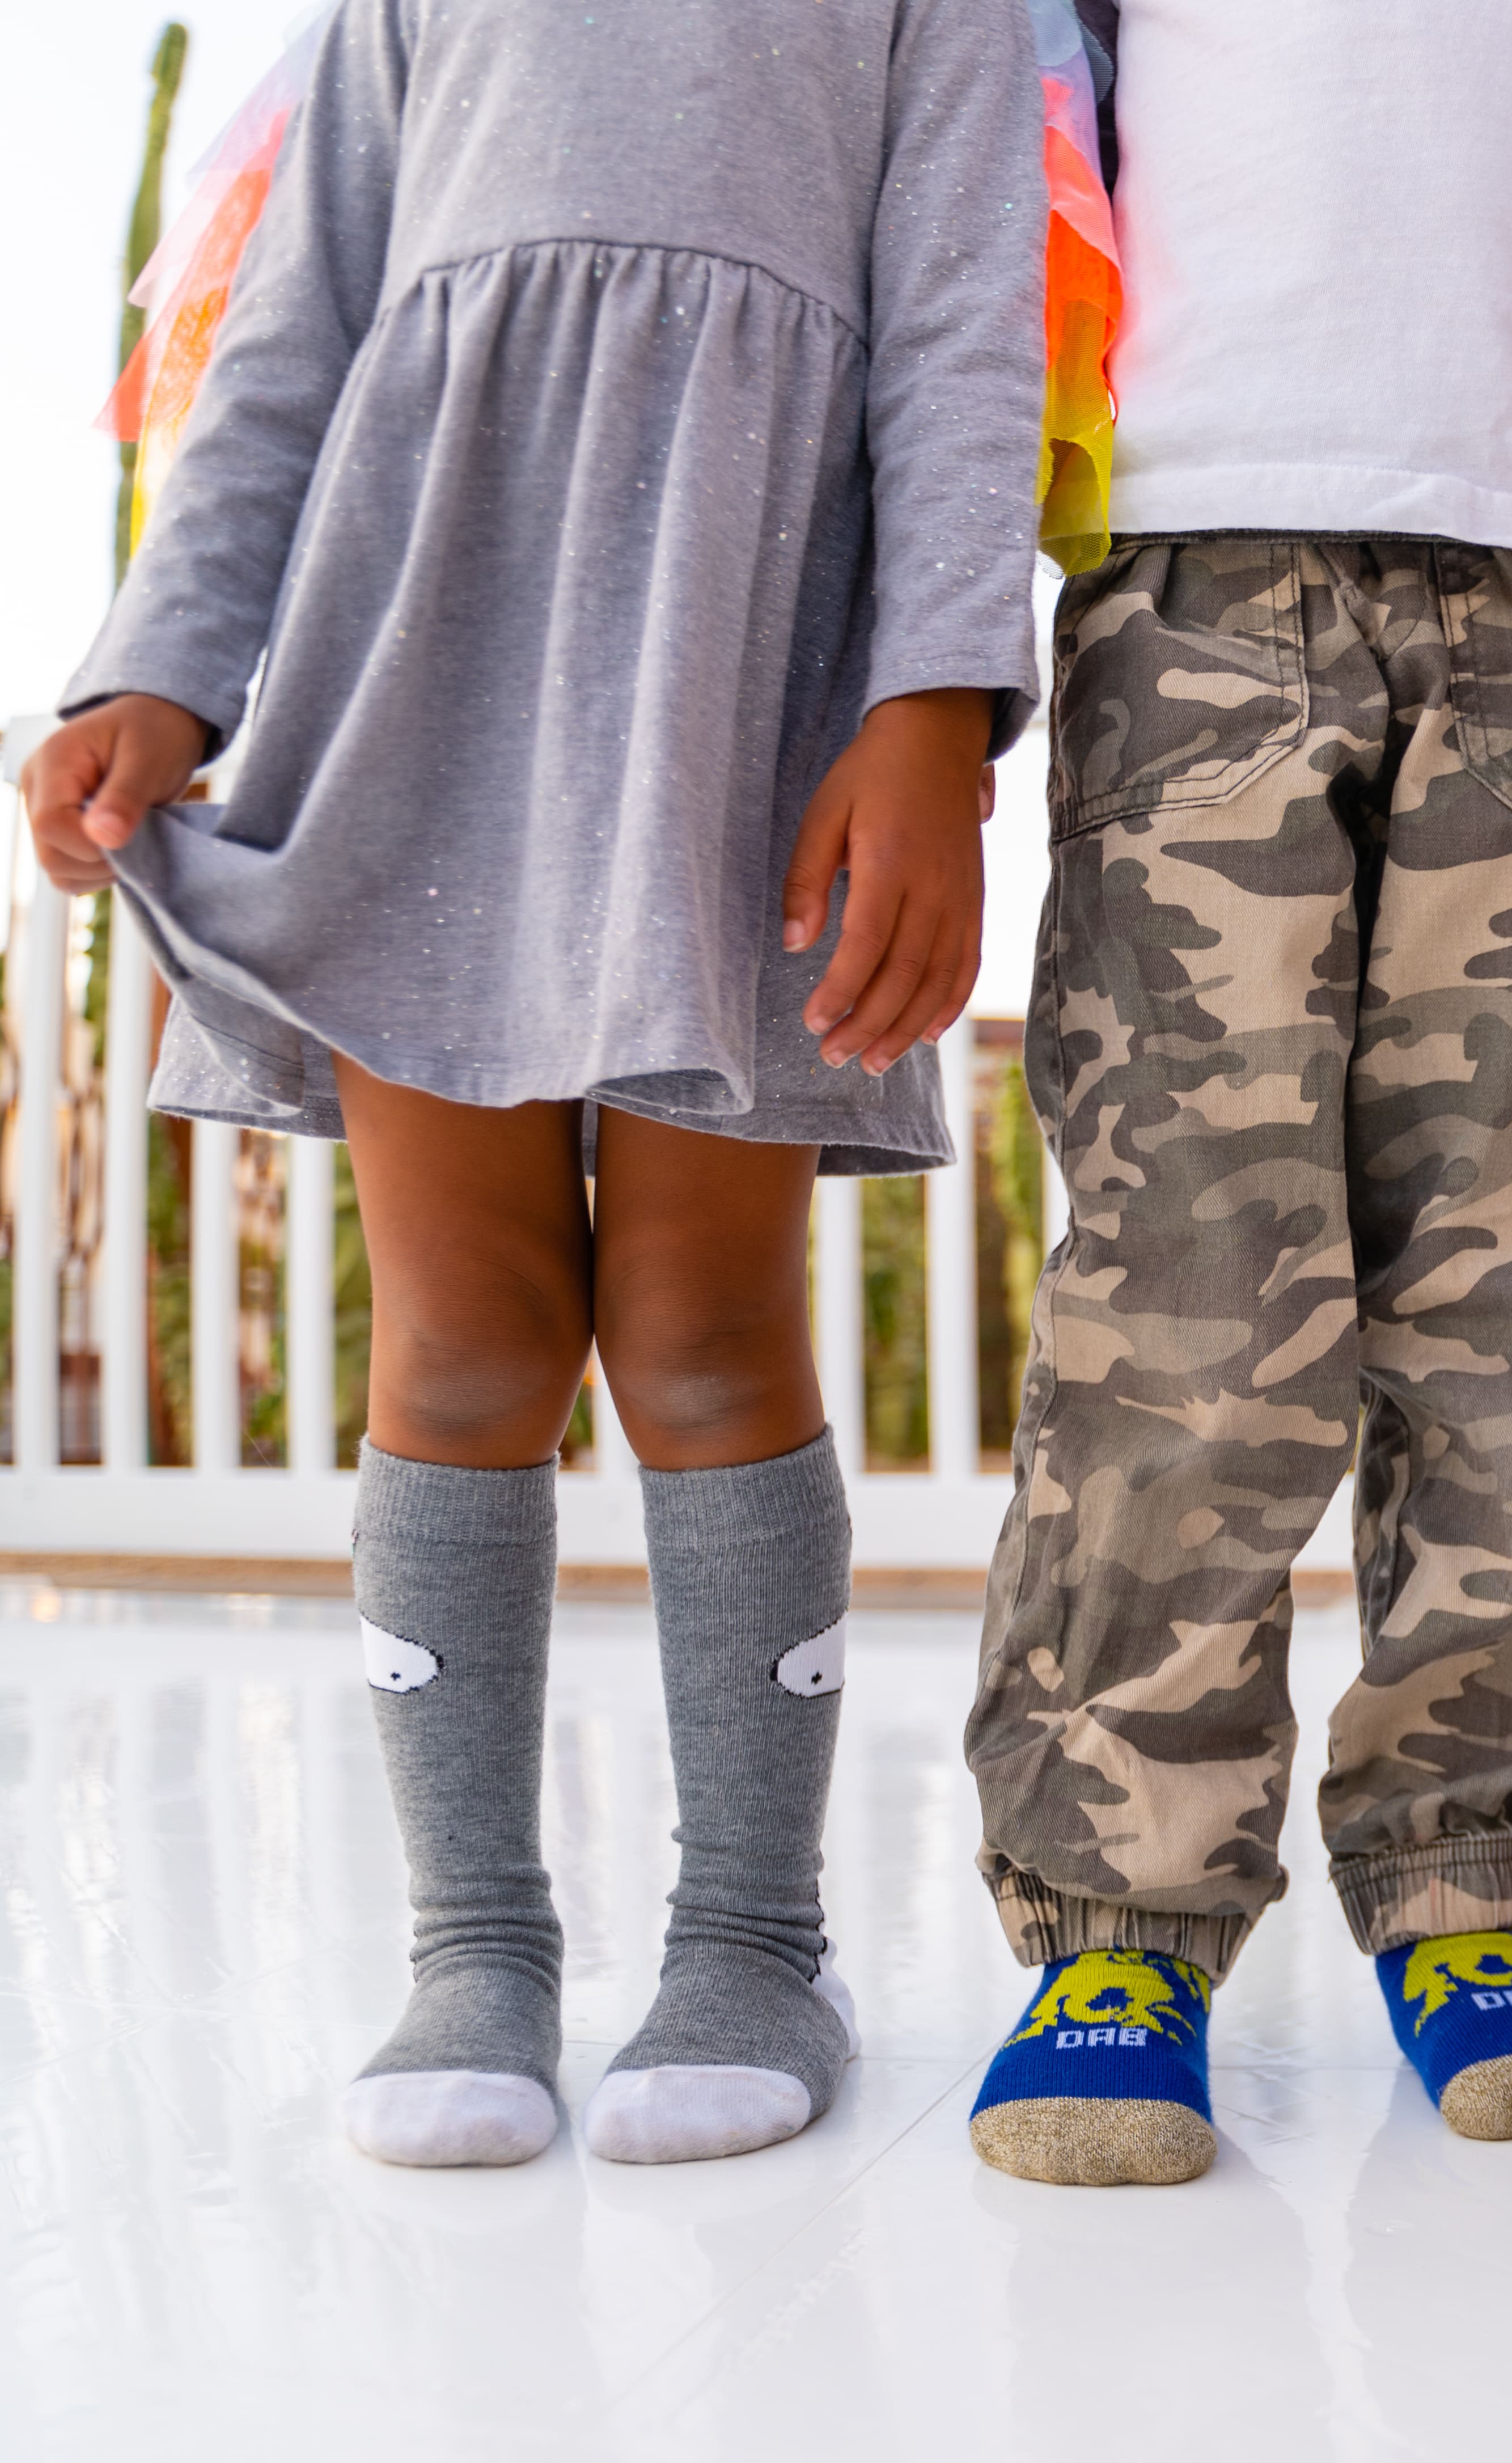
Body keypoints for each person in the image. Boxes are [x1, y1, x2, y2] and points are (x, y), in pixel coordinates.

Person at [18, 0, 1043, 2165]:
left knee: (697, 1330)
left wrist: (938, 708)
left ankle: (755, 1943)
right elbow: (289, 338)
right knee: (470, 1342)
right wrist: (165, 665)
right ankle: (473, 1946)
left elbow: (968, 328)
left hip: (745, 690)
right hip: (432, 673)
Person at [955, 0, 1512, 2182]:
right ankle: (1122, 1919)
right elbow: (1013, 124)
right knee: (1189, 1284)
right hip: (1190, 564)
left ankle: (1464, 1883)